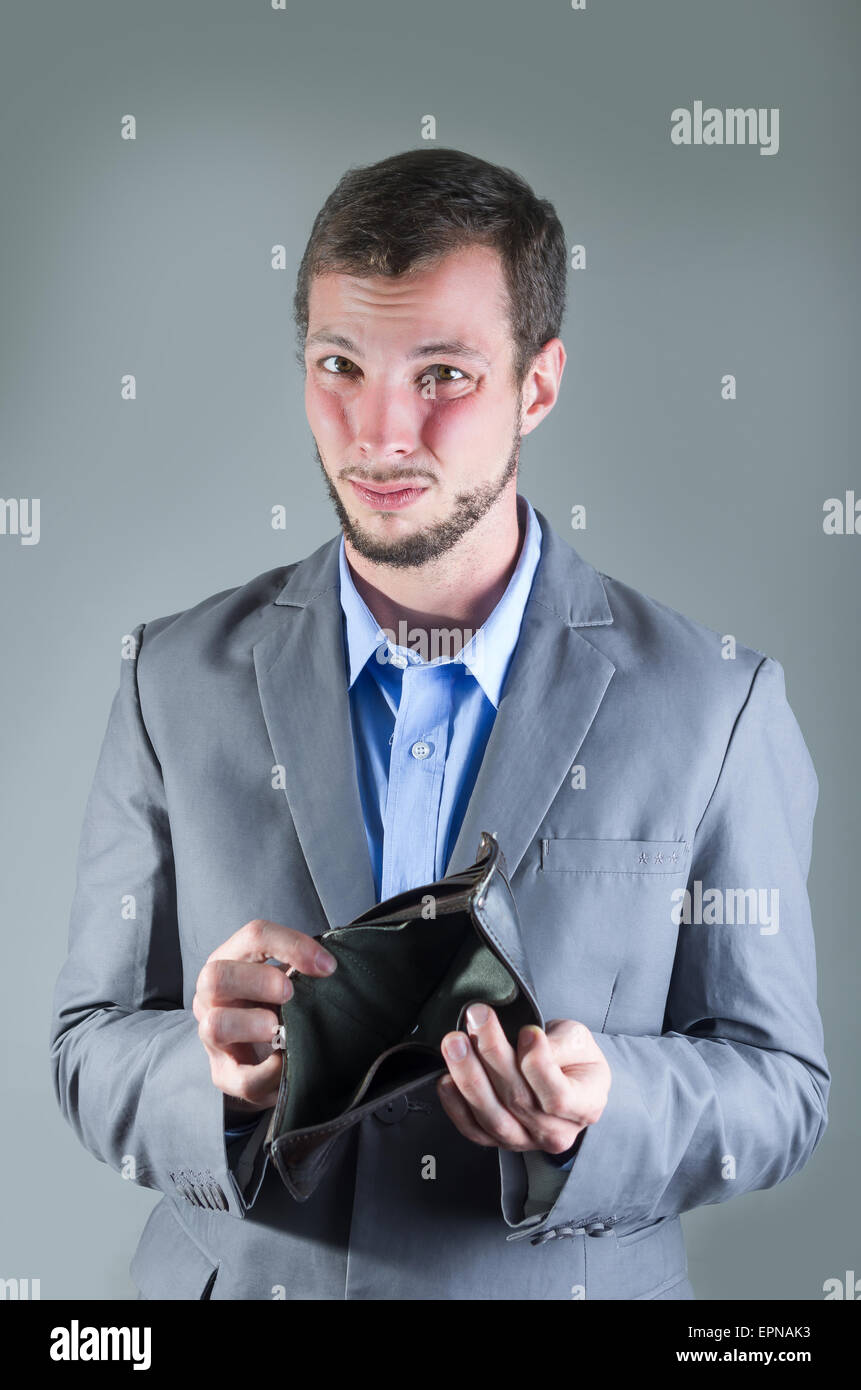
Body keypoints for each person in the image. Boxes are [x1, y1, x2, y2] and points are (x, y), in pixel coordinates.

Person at [50, 147, 829, 1301]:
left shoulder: (717, 702)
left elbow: (782, 1086)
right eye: (339, 364)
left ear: (540, 384)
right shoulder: (170, 678)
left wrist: (603, 1104)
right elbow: (87, 1044)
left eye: (444, 374)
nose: (379, 433)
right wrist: (205, 1072)